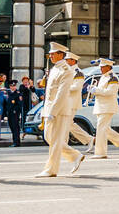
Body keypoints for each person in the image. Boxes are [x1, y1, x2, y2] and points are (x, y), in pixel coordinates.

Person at [36, 44, 84, 177]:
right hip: (50, 108)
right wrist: (45, 109)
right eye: (50, 53)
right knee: (49, 137)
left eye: (53, 53)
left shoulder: (66, 70)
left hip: (59, 110)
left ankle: (51, 169)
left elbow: (61, 94)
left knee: (56, 140)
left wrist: (53, 112)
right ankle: (75, 155)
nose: (50, 55)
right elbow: (50, 92)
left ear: (60, 54)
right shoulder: (54, 69)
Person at [91, 58, 119, 159]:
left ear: (108, 67)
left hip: (107, 106)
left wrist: (96, 90)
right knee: (105, 129)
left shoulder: (113, 78)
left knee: (101, 129)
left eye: (102, 67)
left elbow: (110, 92)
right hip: (101, 106)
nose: (101, 69)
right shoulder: (104, 77)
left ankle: (100, 152)